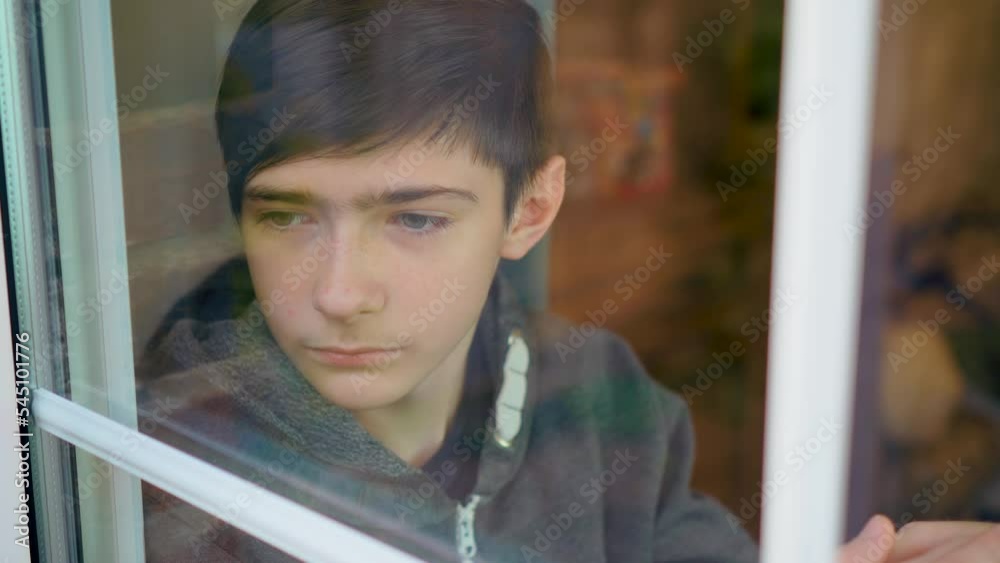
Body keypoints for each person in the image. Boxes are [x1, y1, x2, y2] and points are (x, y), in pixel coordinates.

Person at [135, 1, 1000, 561]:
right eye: (287, 216)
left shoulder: (600, 393)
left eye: (415, 218)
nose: (340, 292)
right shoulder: (167, 454)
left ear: (530, 209)